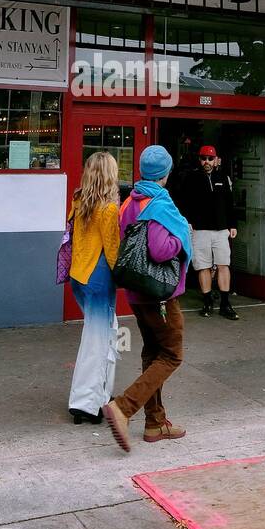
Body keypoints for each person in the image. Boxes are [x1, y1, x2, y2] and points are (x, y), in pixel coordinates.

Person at [102, 145, 192, 453]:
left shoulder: (130, 201)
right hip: (160, 294)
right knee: (172, 355)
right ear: (166, 173)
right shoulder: (160, 202)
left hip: (137, 292)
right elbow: (159, 249)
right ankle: (123, 407)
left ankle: (155, 422)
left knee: (152, 353)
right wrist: (182, 235)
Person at [67, 152, 121, 424]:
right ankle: (85, 404)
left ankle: (101, 394)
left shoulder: (79, 200)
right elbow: (112, 249)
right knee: (97, 341)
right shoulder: (108, 209)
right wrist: (124, 276)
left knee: (108, 334)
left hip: (79, 274)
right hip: (99, 277)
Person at [177, 144, 239, 319]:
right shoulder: (191, 178)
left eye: (210, 158)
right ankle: (207, 302)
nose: (207, 162)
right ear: (199, 160)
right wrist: (187, 221)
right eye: (204, 158)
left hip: (221, 229)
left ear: (216, 160)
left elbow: (229, 203)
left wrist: (232, 224)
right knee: (203, 266)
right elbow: (183, 202)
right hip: (200, 229)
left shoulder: (223, 178)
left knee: (223, 265)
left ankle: (225, 304)